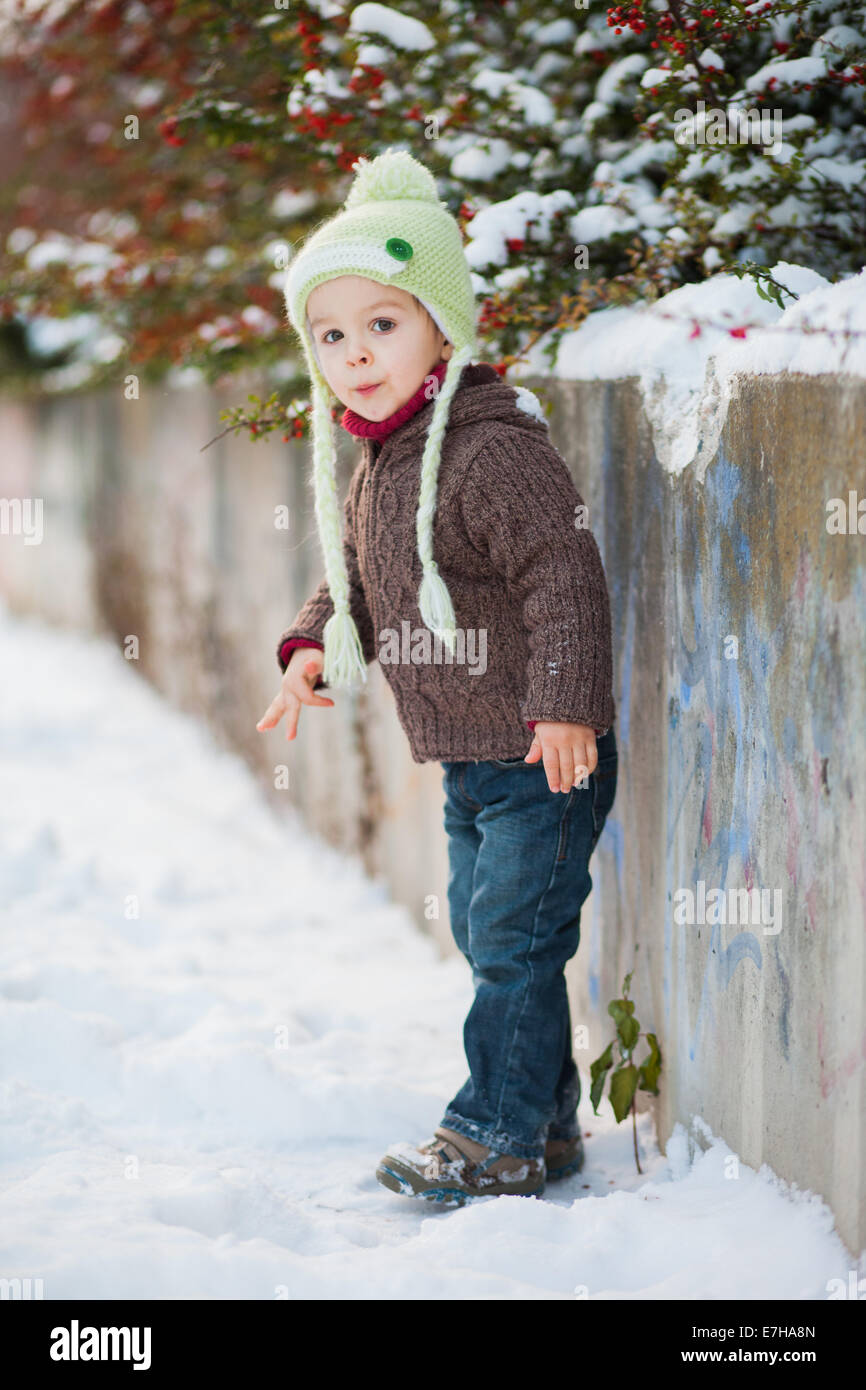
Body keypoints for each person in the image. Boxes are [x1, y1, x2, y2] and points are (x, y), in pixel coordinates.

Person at [256, 149, 618, 1206]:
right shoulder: (385, 458)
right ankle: (545, 1124)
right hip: (475, 758)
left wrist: (565, 706)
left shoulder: (486, 451)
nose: (355, 354)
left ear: (442, 328)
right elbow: (359, 569)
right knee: (493, 933)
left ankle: (490, 1132)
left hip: (540, 753)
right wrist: (311, 641)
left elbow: (564, 573)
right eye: (331, 334)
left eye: (383, 324)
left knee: (509, 936)